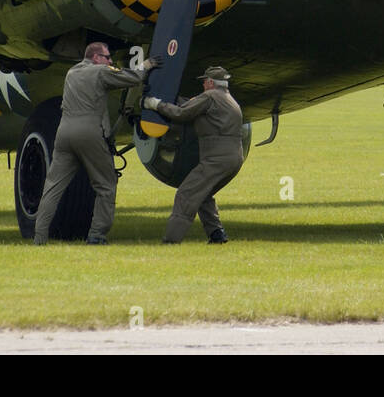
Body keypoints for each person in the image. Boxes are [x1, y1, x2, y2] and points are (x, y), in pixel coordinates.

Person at [33, 42, 158, 245]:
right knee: (106, 184)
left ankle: (39, 237)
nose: (110, 60)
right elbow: (133, 78)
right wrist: (147, 64)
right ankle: (97, 235)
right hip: (88, 131)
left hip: (63, 132)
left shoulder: (71, 73)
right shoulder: (100, 71)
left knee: (52, 187)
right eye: (107, 57)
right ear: (97, 57)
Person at [143, 66, 244, 244]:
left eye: (205, 81)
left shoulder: (210, 96)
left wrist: (155, 104)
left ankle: (171, 240)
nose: (203, 84)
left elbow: (182, 113)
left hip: (216, 158)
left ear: (211, 82)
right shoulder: (229, 99)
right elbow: (190, 104)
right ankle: (217, 235)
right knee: (203, 193)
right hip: (234, 158)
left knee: (186, 194)